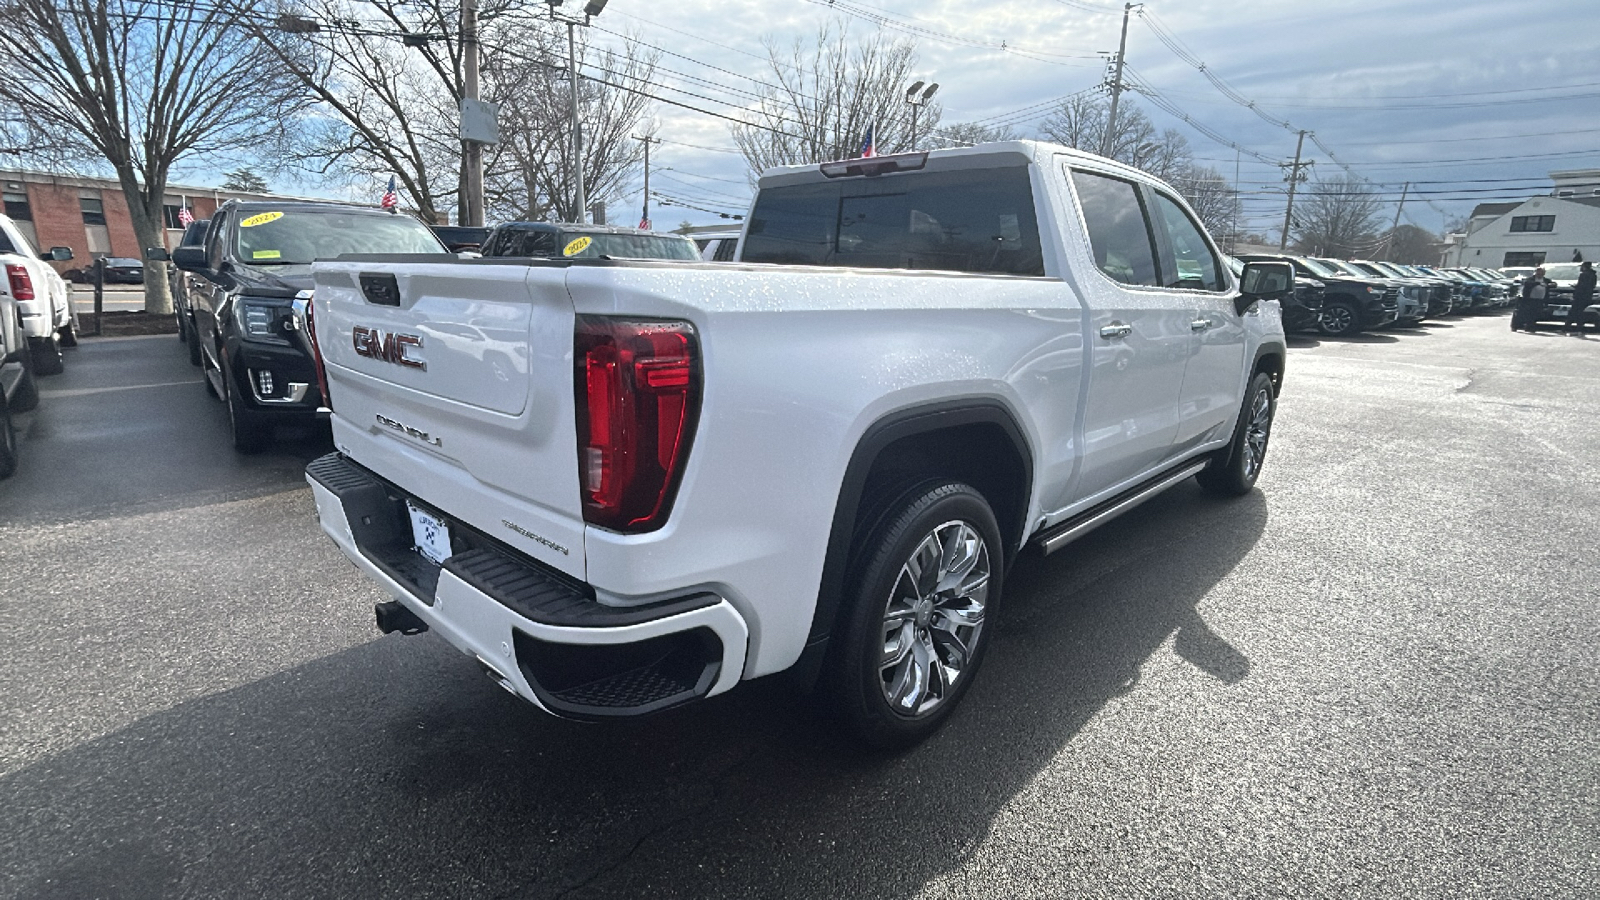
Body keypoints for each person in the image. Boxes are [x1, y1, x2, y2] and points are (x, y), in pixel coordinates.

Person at [1514, 266, 1550, 333]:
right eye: (1538, 273)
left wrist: (1550, 284)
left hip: (1540, 300)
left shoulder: (1545, 280)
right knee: (1526, 313)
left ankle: (1530, 326)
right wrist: (1538, 283)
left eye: (1541, 273)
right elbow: (1528, 283)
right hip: (1530, 299)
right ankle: (1517, 326)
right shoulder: (1531, 279)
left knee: (1535, 314)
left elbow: (1553, 284)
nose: (1539, 274)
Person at [1563, 260, 1596, 334]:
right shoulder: (1593, 275)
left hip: (1580, 297)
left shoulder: (1583, 275)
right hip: (1588, 296)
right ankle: (1579, 326)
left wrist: (1576, 288)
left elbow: (1581, 286)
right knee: (1580, 312)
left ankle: (1567, 327)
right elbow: (1592, 286)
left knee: (1573, 312)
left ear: (1584, 267)